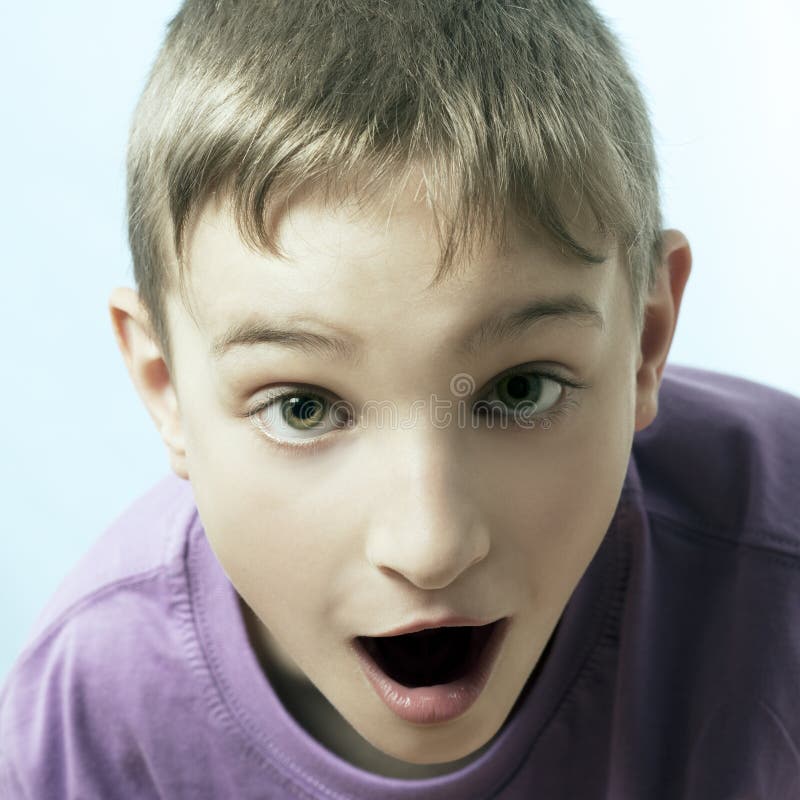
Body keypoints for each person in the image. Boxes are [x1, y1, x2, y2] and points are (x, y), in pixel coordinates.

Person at [2, 1, 799, 797]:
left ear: (646, 343)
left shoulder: (778, 571)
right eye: (303, 407)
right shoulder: (87, 714)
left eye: (520, 391)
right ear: (165, 384)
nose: (430, 547)